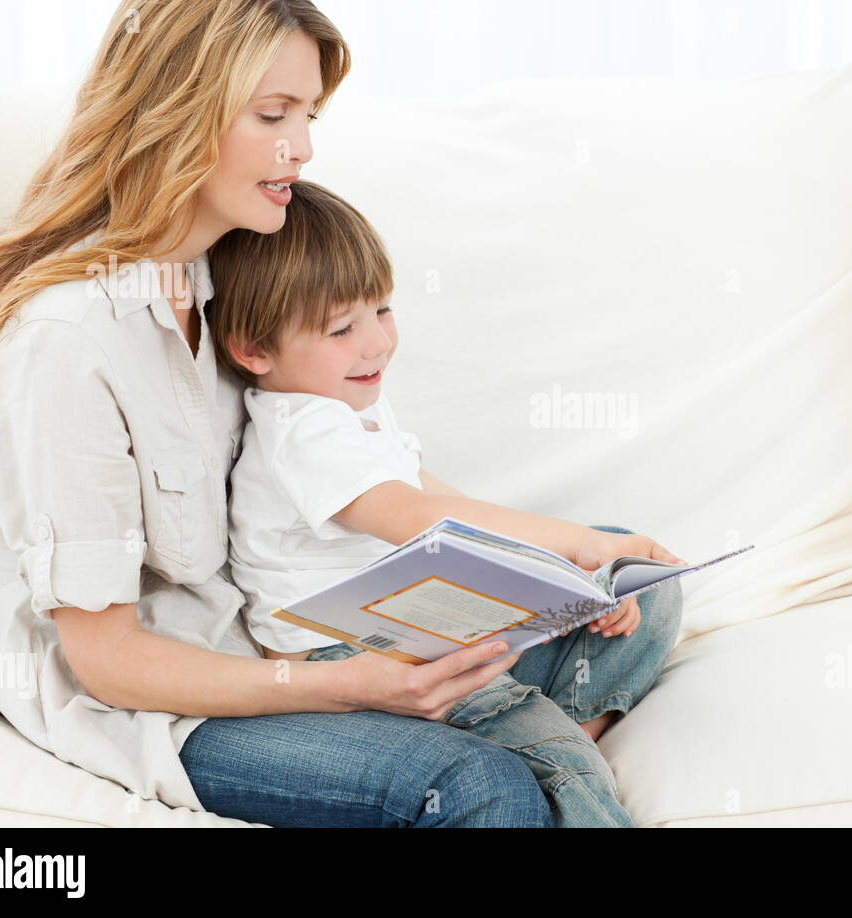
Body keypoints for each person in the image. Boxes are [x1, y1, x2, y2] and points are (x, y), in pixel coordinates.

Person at [0, 0, 555, 827]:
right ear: (177, 114)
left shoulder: (231, 278)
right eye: (273, 115)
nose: (302, 148)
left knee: (613, 602)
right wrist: (349, 686)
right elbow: (110, 664)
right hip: (164, 709)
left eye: (307, 115)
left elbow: (354, 456)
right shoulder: (64, 344)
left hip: (279, 637)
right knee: (479, 785)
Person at [205, 179, 686, 827]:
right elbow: (412, 517)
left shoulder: (345, 402)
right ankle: (555, 750)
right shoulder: (305, 431)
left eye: (382, 309)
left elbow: (433, 492)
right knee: (562, 741)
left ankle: (550, 728)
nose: (375, 342)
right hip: (350, 652)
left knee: (641, 586)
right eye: (343, 328)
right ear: (254, 350)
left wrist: (568, 561)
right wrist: (577, 545)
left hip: (411, 617)